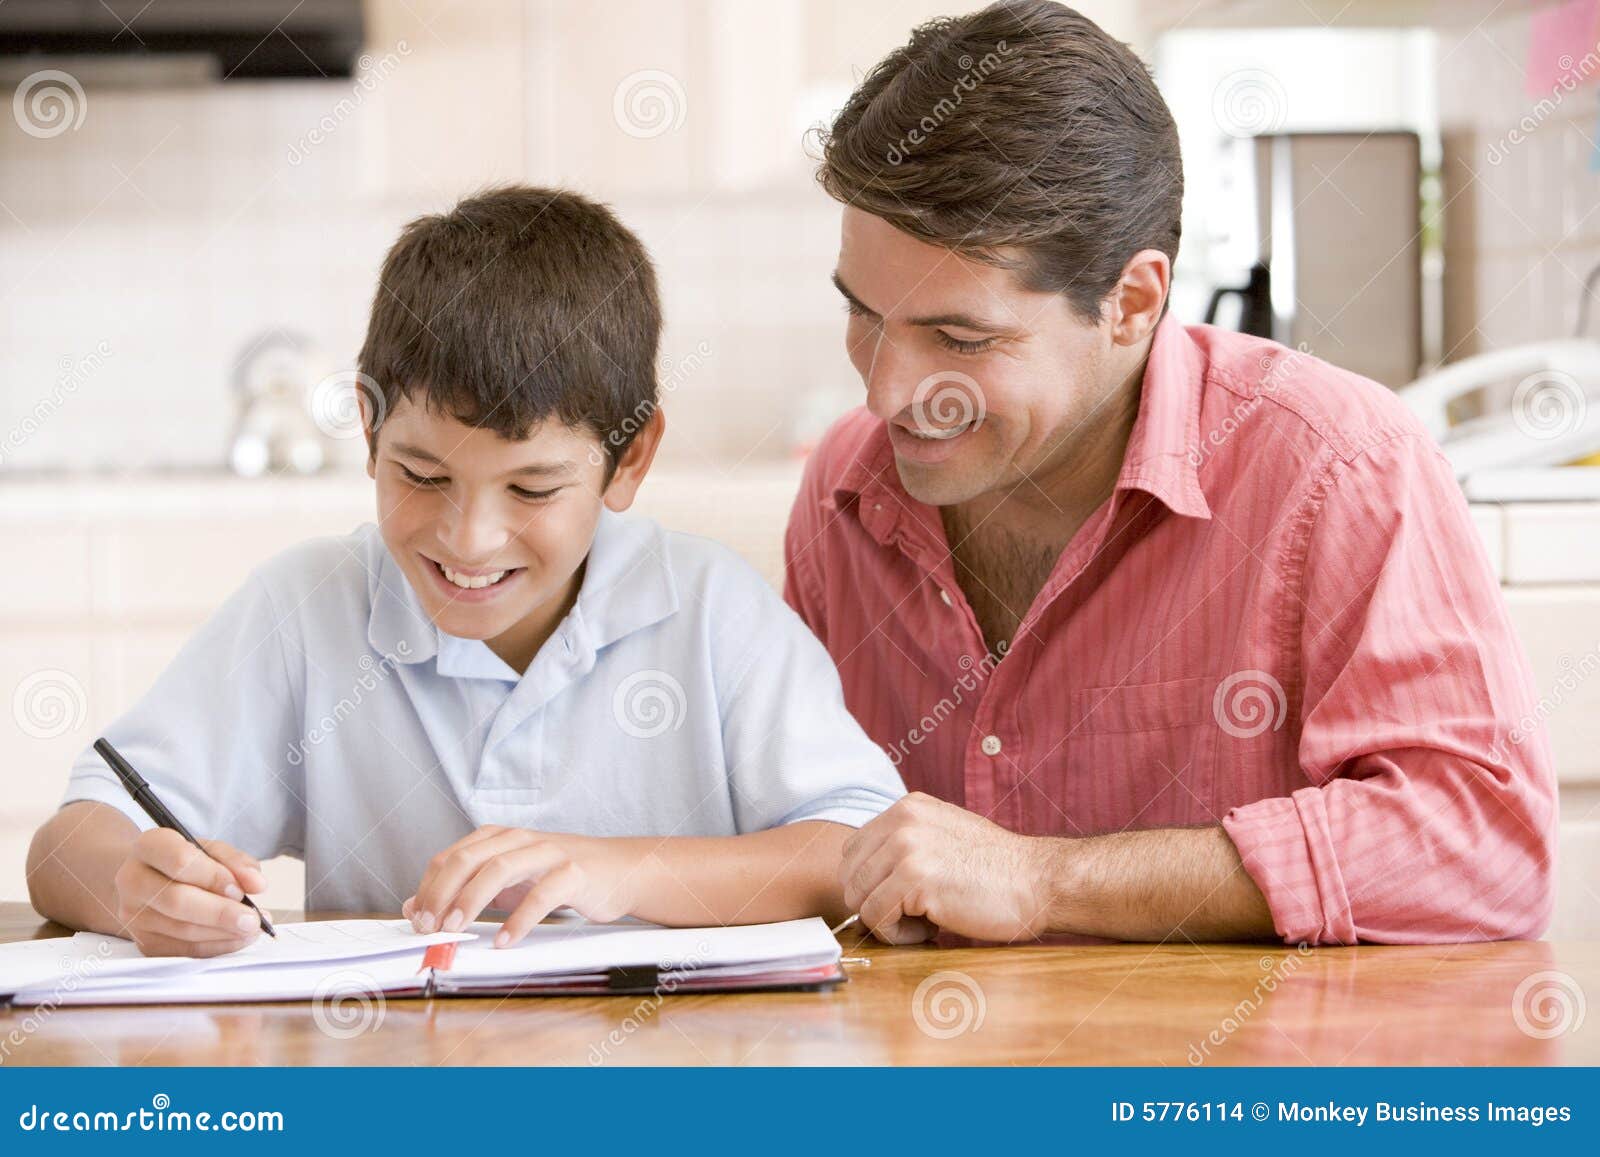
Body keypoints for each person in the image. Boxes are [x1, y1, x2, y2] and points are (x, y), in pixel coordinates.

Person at [786, 0, 1556, 946]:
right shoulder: (842, 493)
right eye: (864, 313)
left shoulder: (1340, 465)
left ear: (1133, 301)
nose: (889, 392)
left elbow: (1481, 845)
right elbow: (789, 815)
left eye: (959, 337)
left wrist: (1045, 881)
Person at [28, 186, 904, 957]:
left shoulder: (712, 610)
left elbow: (860, 844)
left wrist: (625, 869)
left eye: (532, 486)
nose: (470, 538)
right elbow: (65, 847)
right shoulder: (307, 608)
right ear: (368, 433)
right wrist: (136, 891)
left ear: (629, 459)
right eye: (422, 475)